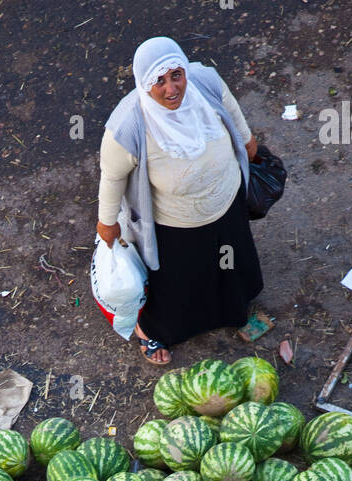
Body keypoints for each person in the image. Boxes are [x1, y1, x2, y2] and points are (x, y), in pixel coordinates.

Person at [97, 36, 263, 365]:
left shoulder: (205, 82)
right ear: (144, 83)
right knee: (180, 282)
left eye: (176, 75)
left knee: (228, 263)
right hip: (176, 225)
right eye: (159, 81)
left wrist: (247, 140)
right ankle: (151, 330)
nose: (171, 89)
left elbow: (231, 109)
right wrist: (107, 222)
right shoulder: (128, 126)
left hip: (226, 203)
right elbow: (112, 178)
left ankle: (231, 310)